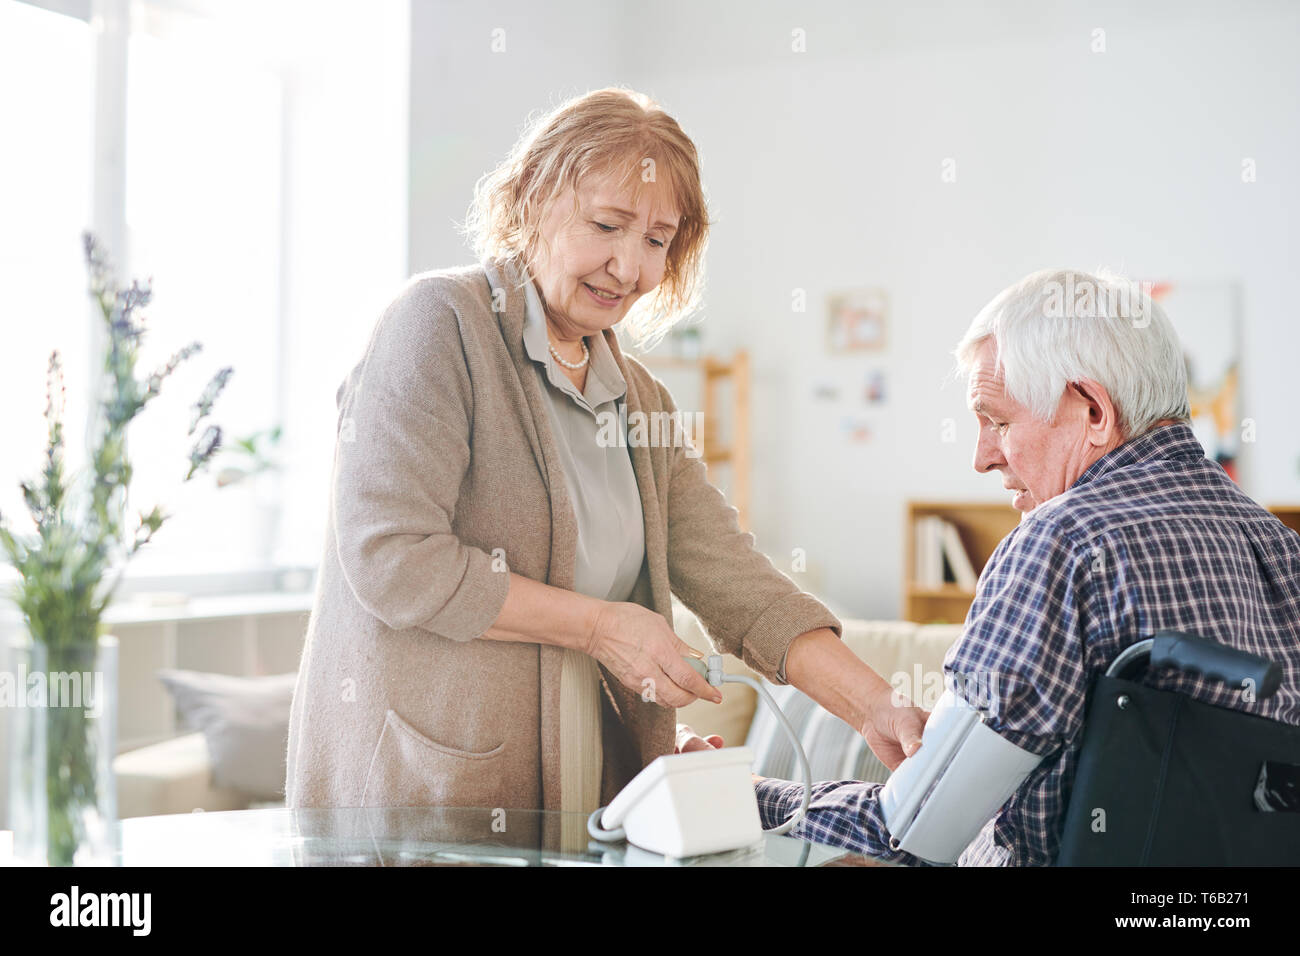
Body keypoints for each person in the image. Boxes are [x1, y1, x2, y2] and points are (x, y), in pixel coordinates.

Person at [284, 88, 927, 817]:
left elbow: (739, 584)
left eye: (657, 240)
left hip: (581, 792)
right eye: (606, 225)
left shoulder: (640, 401)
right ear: (532, 197)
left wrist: (879, 707)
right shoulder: (439, 326)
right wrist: (599, 626)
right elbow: (394, 560)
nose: (628, 268)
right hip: (420, 799)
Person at [753, 268, 1300, 865]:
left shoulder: (1061, 543)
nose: (982, 457)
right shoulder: (1278, 544)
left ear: (1093, 411)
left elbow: (919, 829)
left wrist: (751, 797)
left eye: (998, 420)